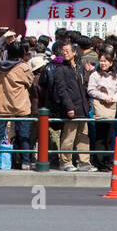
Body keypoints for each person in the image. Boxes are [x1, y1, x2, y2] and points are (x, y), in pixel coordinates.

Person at [0, 36, 35, 169]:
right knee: (23, 133)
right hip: (20, 104)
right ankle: (25, 161)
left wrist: (4, 37)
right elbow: (30, 82)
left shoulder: (1, 66)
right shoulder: (23, 68)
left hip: (2, 104)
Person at [48, 40, 92, 172]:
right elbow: (61, 91)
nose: (65, 53)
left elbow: (84, 87)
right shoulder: (60, 69)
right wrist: (69, 107)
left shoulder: (79, 67)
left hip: (83, 107)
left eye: (68, 51)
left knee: (83, 136)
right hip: (71, 108)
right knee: (68, 137)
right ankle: (65, 161)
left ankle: (84, 162)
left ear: (74, 52)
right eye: (63, 51)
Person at [88, 48, 117, 171]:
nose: (103, 63)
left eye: (106, 61)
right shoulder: (95, 75)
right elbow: (91, 90)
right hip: (100, 107)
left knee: (109, 136)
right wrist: (104, 97)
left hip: (111, 107)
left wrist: (114, 98)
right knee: (100, 136)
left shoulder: (115, 76)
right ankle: (100, 162)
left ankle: (107, 161)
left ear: (111, 62)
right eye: (101, 61)